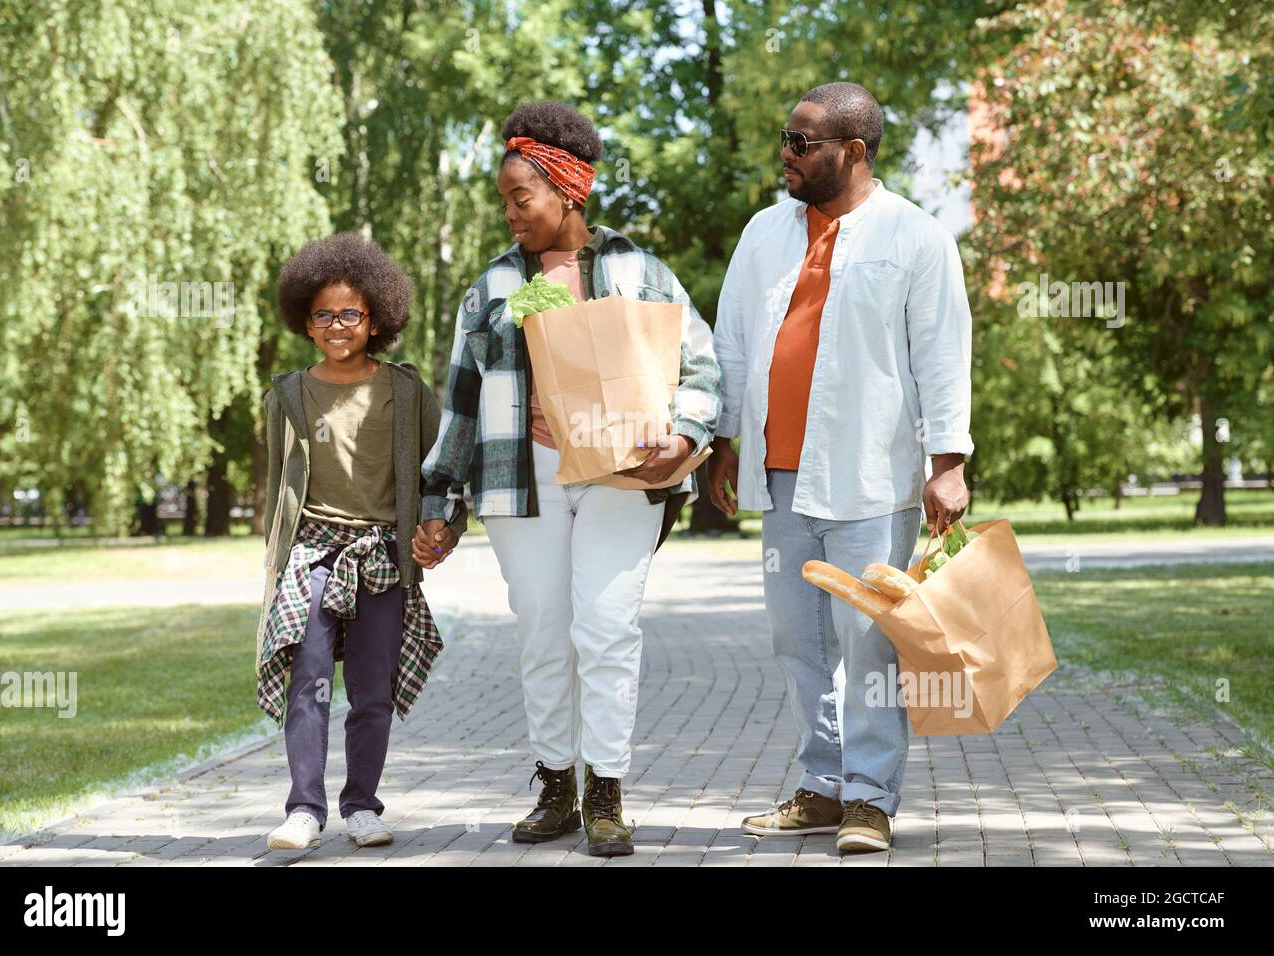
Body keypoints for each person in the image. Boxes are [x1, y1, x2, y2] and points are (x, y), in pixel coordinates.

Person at [417, 100, 721, 857]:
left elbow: (703, 368)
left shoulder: (642, 272)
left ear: (566, 188)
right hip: (525, 479)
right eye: (504, 202)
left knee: (608, 629)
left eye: (522, 198)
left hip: (622, 475)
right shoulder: (491, 286)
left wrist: (684, 433)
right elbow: (460, 400)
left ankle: (607, 793)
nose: (511, 214)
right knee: (545, 634)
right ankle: (556, 784)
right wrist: (440, 506)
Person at [708, 82, 973, 853]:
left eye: (801, 143)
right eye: (786, 140)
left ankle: (869, 798)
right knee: (798, 641)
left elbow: (943, 359)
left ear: (852, 152)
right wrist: (723, 441)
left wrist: (947, 461)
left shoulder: (916, 237)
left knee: (869, 644)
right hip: (779, 477)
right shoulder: (764, 232)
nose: (785, 156)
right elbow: (730, 344)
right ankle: (822, 786)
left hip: (871, 476)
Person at [257, 232, 468, 850]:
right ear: (306, 320)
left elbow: (445, 471)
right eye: (323, 314)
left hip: (380, 556)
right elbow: (277, 492)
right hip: (310, 555)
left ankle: (362, 806)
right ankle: (303, 809)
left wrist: (446, 529)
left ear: (376, 317)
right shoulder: (288, 395)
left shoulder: (405, 392)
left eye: (350, 312)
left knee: (372, 691)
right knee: (309, 679)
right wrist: (271, 571)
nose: (336, 325)